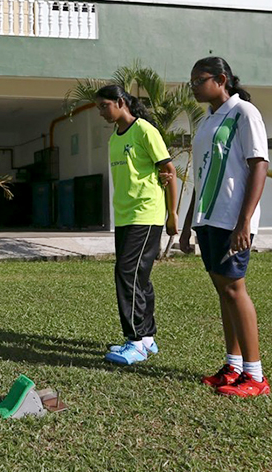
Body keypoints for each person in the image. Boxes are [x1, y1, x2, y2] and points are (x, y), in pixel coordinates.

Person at [179, 57, 270, 397]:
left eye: (197, 81)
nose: (192, 88)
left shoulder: (244, 113)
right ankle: (232, 367)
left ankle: (256, 377)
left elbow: (259, 164)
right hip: (208, 218)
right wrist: (189, 223)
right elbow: (202, 175)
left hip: (232, 219)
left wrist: (244, 221)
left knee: (235, 290)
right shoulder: (208, 121)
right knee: (223, 292)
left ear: (221, 79)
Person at [95, 85, 178, 366]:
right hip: (126, 216)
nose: (101, 111)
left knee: (126, 273)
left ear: (121, 102)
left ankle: (136, 342)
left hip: (146, 214)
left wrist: (173, 214)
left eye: (105, 105)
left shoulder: (144, 130)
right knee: (139, 276)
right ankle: (148, 338)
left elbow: (168, 170)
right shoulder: (114, 139)